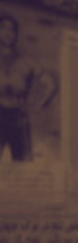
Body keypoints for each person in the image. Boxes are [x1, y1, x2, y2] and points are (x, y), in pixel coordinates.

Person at [0, 14, 54, 163]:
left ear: (16, 34)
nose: (8, 33)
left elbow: (50, 83)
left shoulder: (26, 61)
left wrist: (38, 105)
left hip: (19, 118)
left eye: (12, 30)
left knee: (24, 165)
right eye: (3, 28)